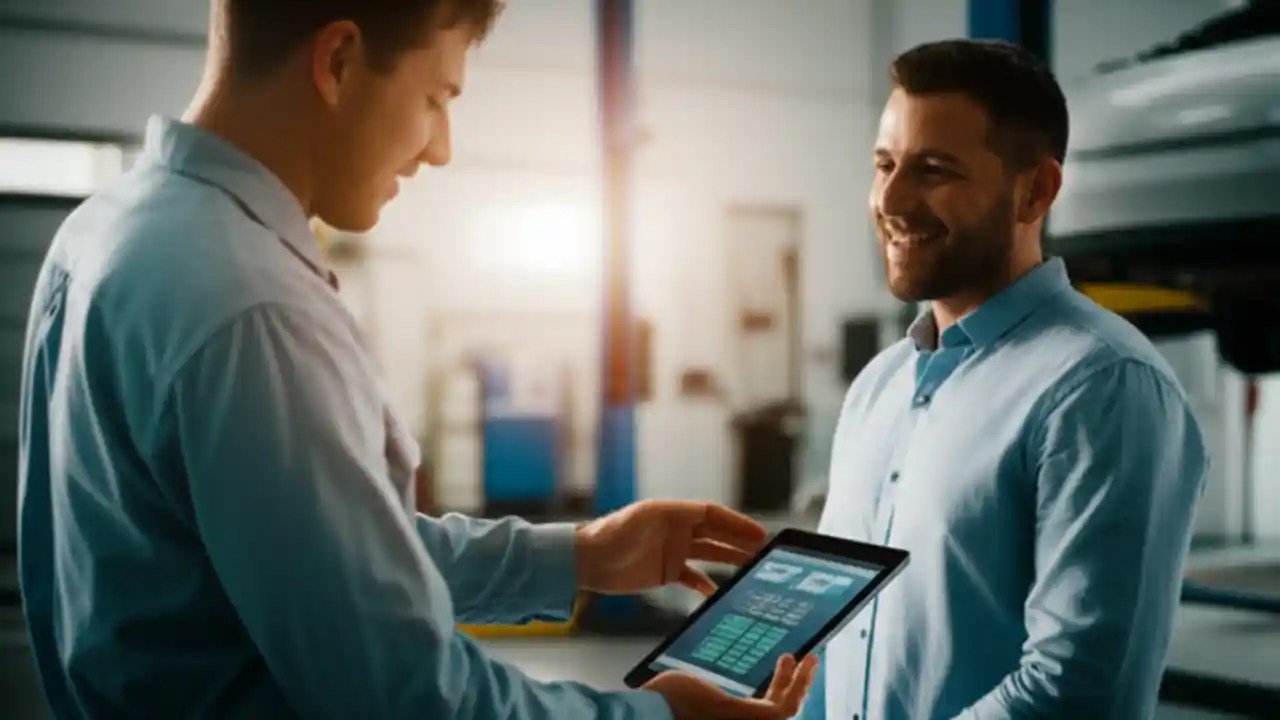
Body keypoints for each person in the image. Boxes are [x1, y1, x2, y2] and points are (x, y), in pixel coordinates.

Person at [15, 1, 818, 718]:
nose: (439, 148)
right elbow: (403, 696)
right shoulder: (254, 307)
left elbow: (325, 561)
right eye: (437, 98)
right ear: (338, 60)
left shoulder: (107, 229)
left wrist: (577, 556)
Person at [798, 39, 1209, 719]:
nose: (892, 199)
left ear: (1036, 190)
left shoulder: (1102, 386)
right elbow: (829, 638)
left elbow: (1077, 689)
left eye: (933, 170)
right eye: (884, 164)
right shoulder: (879, 385)